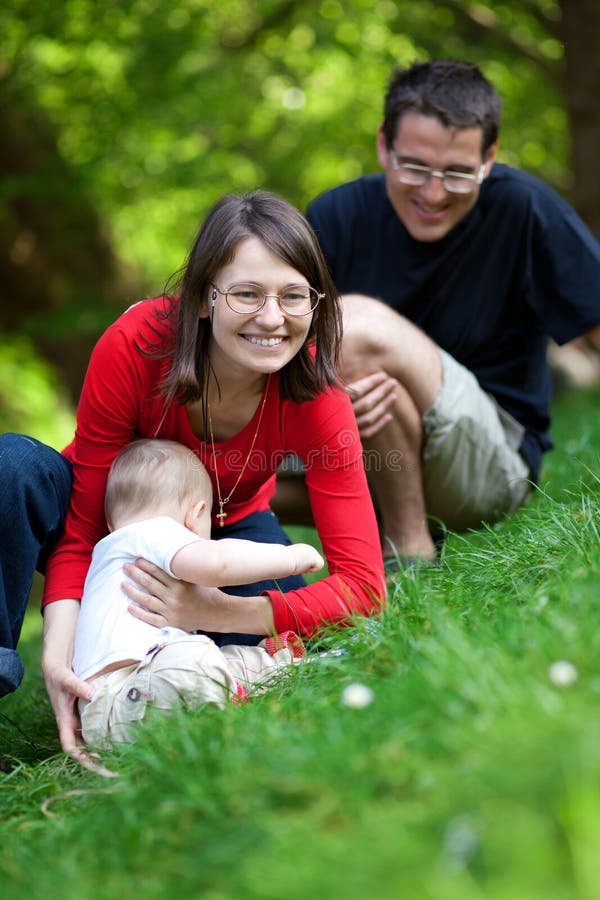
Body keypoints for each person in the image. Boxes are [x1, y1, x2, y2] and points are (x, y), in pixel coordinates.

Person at [0, 190, 385, 758]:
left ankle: (185, 659)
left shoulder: (318, 397)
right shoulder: (135, 345)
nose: (272, 318)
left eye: (293, 296)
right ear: (204, 297)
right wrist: (58, 656)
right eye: (246, 294)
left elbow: (363, 586)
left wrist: (216, 610)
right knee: (12, 466)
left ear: (316, 303)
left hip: (229, 534)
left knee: (303, 641)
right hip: (106, 519)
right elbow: (83, 533)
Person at [283, 58, 600, 571]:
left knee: (357, 326)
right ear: (385, 144)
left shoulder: (524, 211)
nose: (432, 194)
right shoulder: (334, 216)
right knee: (193, 467)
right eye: (413, 167)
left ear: (488, 157)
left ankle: (408, 552)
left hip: (489, 464)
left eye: (456, 172)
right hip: (364, 452)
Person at [75, 438, 323, 745]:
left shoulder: (107, 550)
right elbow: (217, 563)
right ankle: (242, 691)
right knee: (195, 657)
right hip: (127, 692)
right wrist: (291, 558)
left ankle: (276, 667)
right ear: (196, 515)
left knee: (217, 658)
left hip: (115, 706)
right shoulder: (155, 532)